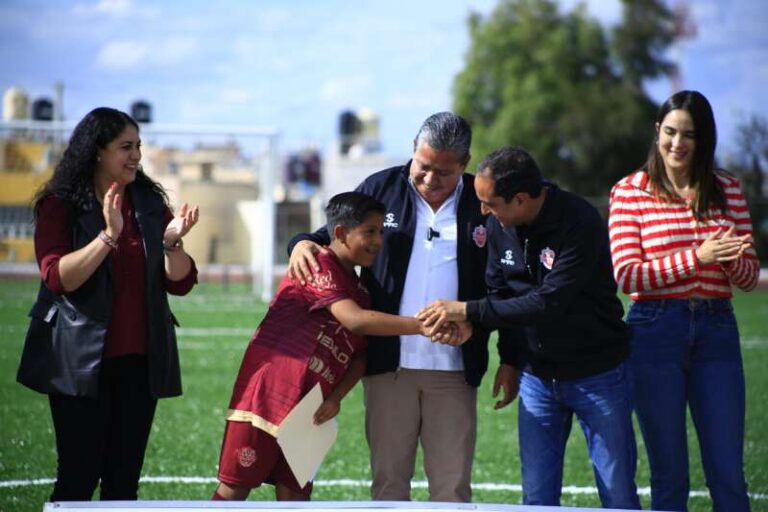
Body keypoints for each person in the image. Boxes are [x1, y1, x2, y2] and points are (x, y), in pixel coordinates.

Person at [419, 147, 641, 509]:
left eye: (490, 204)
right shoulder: (498, 224)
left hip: (598, 374)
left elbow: (546, 303)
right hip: (537, 378)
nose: (483, 211)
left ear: (521, 199)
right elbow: (501, 293)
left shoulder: (579, 221)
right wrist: (509, 360)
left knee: (617, 492)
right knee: (536, 497)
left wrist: (466, 310)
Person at [287, 112, 491, 502]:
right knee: (389, 486)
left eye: (443, 172)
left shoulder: (480, 201)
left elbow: (500, 281)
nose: (429, 179)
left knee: (452, 489)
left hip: (454, 369)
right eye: (423, 166)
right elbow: (331, 237)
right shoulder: (380, 188)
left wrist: (476, 325)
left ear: (464, 164)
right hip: (387, 367)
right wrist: (299, 242)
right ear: (414, 148)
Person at [212, 192, 461, 501]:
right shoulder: (317, 262)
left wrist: (336, 397)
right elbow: (354, 320)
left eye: (381, 232)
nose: (378, 241)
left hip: (310, 408)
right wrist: (421, 325)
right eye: (370, 232)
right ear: (341, 233)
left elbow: (359, 357)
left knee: (295, 496)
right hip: (269, 396)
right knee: (235, 488)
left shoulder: (360, 290)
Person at [16, 107, 200, 501]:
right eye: (125, 147)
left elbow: (181, 282)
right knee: (77, 479)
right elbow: (58, 278)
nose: (136, 155)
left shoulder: (148, 202)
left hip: (140, 364)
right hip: (79, 363)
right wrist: (108, 235)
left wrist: (172, 243)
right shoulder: (60, 205)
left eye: (138, 146)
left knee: (123, 484)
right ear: (97, 151)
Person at [608, 90, 758, 512]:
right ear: (658, 131)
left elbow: (748, 278)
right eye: (670, 132)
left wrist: (728, 259)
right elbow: (628, 275)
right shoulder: (630, 191)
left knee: (728, 473)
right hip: (653, 332)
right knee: (669, 475)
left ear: (703, 138)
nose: (678, 143)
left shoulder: (728, 188)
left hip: (717, 329)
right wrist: (698, 257)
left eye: (689, 135)